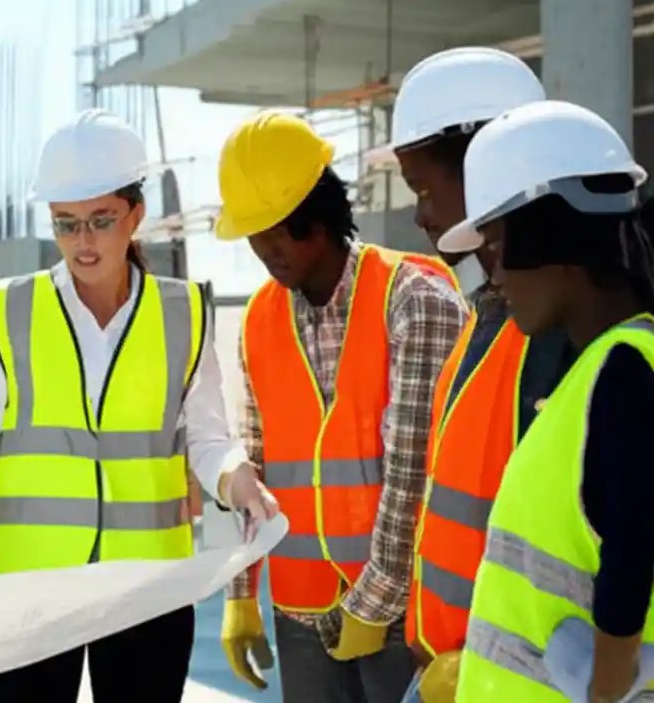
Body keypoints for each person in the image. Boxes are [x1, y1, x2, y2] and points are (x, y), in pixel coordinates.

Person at [0, 108, 279, 703]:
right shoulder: (4, 310)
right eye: (66, 225)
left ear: (136, 215)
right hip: (28, 588)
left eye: (100, 220)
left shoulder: (185, 314)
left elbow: (208, 437)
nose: (84, 242)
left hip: (146, 586)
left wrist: (238, 482)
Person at [214, 111, 467, 703]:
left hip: (402, 611)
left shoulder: (412, 299)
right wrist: (241, 592)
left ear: (318, 213)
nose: (265, 250)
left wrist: (376, 604)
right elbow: (253, 461)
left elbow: (414, 470)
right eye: (254, 232)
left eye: (278, 228)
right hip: (301, 613)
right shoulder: (258, 320)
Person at [437, 100, 654, 703]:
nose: (496, 276)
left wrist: (608, 689)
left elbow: (632, 558)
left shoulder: (624, 372)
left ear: (551, 239)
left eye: (501, 247)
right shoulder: (598, 371)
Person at [387, 47, 575, 703]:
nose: (420, 214)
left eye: (422, 188)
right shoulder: (489, 316)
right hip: (449, 669)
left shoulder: (553, 335)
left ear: (488, 165)